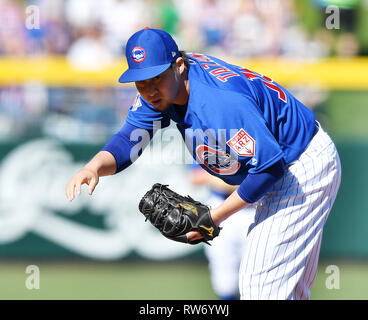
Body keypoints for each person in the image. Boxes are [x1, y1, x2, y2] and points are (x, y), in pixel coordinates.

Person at [66, 27, 341, 300]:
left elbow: (269, 167)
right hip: (287, 162)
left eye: (155, 79)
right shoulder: (166, 86)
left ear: (179, 66)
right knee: (284, 291)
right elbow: (130, 139)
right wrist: (94, 166)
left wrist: (214, 217)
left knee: (260, 288)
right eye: (141, 82)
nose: (149, 90)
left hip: (300, 166)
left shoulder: (219, 103)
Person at [190, 165, 255, 300]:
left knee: (257, 274)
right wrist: (244, 183)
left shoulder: (262, 143)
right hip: (220, 207)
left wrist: (221, 179)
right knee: (224, 276)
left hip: (255, 210)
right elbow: (196, 177)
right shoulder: (210, 144)